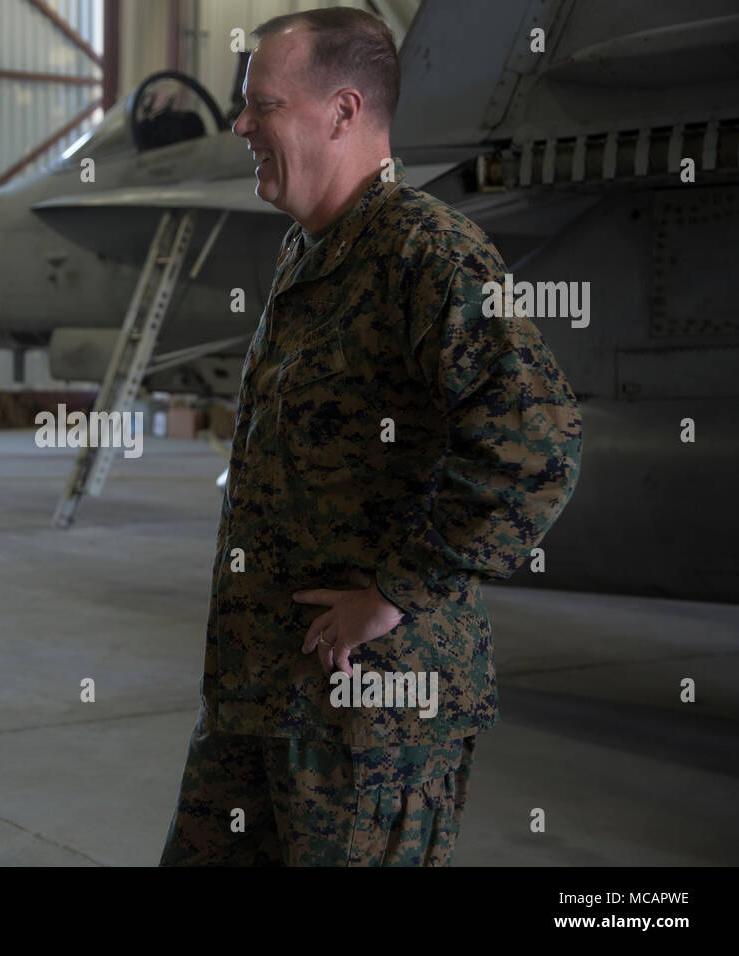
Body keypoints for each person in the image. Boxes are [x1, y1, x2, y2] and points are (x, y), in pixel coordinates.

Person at [159, 9, 582, 866]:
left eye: (261, 106)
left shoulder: (429, 255)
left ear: (343, 111)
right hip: (262, 700)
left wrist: (394, 588)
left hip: (369, 728)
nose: (240, 125)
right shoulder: (308, 252)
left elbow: (539, 444)